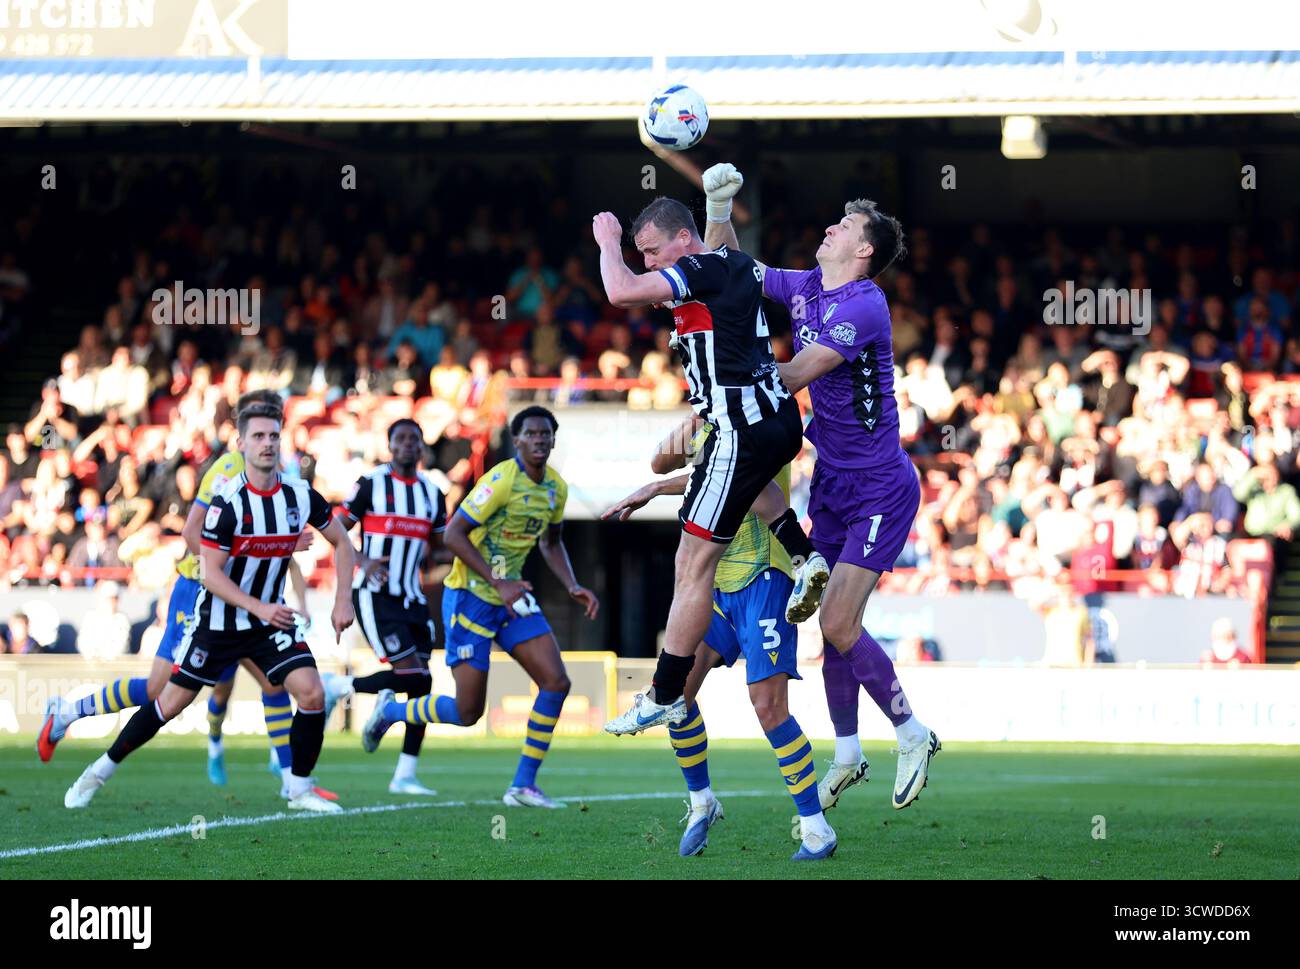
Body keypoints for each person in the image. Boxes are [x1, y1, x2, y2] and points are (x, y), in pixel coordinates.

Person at [695, 162, 939, 811]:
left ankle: (912, 733)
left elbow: (799, 370)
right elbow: (725, 265)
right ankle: (849, 752)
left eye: (844, 224)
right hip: (830, 482)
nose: (828, 226)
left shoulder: (863, 303)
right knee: (832, 628)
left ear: (863, 250)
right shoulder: (804, 284)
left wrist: (718, 389)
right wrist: (717, 202)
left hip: (880, 488)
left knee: (837, 617)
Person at [591, 197, 827, 740]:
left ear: (681, 239)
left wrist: (609, 243)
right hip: (776, 420)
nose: (648, 262)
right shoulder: (732, 265)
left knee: (690, 565)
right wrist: (719, 203)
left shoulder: (697, 267)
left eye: (651, 250)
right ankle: (805, 555)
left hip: (738, 426)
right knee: (748, 485)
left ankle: (664, 693)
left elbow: (620, 291)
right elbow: (725, 249)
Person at [62, 398, 356, 812]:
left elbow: (342, 540)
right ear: (241, 443)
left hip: (267, 622)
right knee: (167, 704)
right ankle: (99, 771)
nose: (267, 444)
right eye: (258, 436)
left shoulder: (300, 496)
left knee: (310, 693)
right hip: (218, 623)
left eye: (274, 435)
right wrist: (258, 606)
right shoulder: (227, 502)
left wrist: (343, 599)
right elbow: (211, 573)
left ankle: (299, 789)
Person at [602, 417, 837, 861]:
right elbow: (667, 463)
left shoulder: (761, 415)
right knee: (676, 697)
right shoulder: (710, 420)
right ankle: (702, 802)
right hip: (713, 587)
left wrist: (683, 477)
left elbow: (747, 487)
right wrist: (660, 478)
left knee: (768, 707)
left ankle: (815, 828)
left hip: (763, 578)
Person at [360, 406, 599, 809]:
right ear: (517, 440)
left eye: (546, 434)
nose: (539, 439)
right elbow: (454, 534)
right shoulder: (501, 480)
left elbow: (551, 542)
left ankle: (523, 786)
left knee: (557, 682)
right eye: (531, 433)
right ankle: (392, 710)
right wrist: (497, 580)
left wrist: (572, 583)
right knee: (468, 711)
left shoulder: (555, 489)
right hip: (471, 596)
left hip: (510, 597)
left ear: (553, 440)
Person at [323, 419, 449, 795]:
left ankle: (404, 775)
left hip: (413, 596)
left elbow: (442, 547)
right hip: (374, 593)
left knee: (423, 684)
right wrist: (361, 559)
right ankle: (338, 686)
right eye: (401, 439)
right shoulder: (371, 484)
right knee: (411, 674)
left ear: (422, 448)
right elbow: (335, 529)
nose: (408, 445)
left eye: (415, 439)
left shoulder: (433, 493)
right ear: (390, 445)